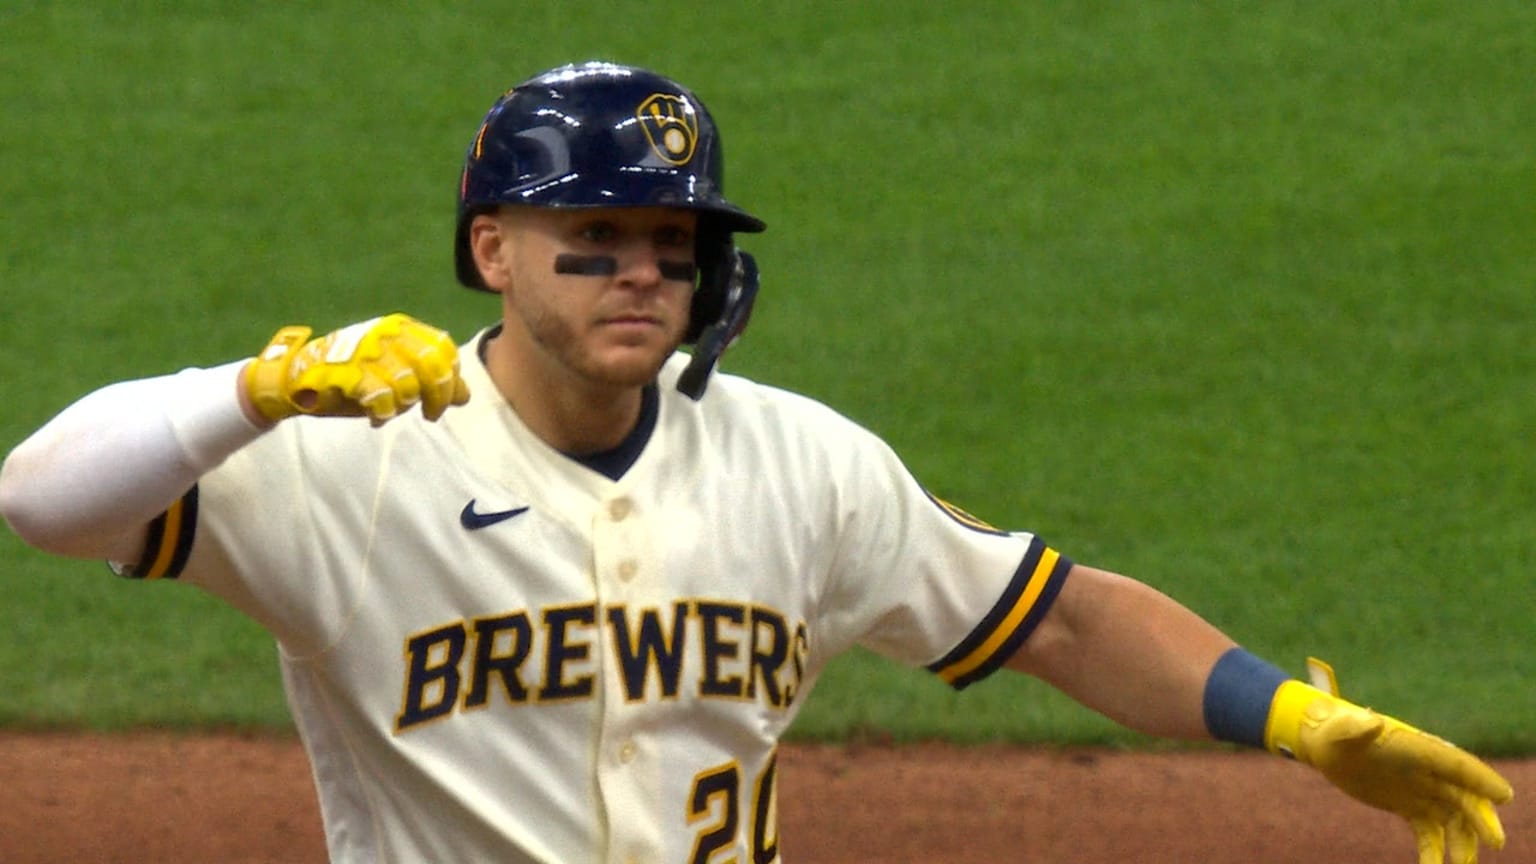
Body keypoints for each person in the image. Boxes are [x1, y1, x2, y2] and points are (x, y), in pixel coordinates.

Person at [0, 60, 1513, 864]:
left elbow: (1051, 617)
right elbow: (40, 499)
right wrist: (252, 390)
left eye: (673, 240)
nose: (643, 271)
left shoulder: (802, 462)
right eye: (596, 235)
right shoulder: (349, 460)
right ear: (492, 252)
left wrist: (1295, 717)